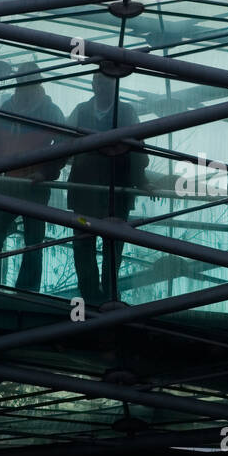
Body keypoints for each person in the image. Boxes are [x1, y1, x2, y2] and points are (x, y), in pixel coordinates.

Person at [0, 61, 66, 291]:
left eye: (25, 82)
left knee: (26, 242)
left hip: (31, 184)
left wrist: (45, 172)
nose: (22, 86)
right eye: (20, 82)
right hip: (12, 183)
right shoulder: (21, 107)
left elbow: (65, 145)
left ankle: (7, 287)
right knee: (5, 238)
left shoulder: (46, 111)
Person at [66, 71, 148, 304]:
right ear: (93, 85)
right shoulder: (87, 111)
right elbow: (63, 143)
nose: (101, 87)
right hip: (96, 195)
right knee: (86, 245)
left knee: (109, 248)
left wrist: (141, 180)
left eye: (105, 83)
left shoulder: (90, 112)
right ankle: (95, 298)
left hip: (106, 194)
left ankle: (104, 298)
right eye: (98, 83)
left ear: (114, 86)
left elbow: (138, 149)